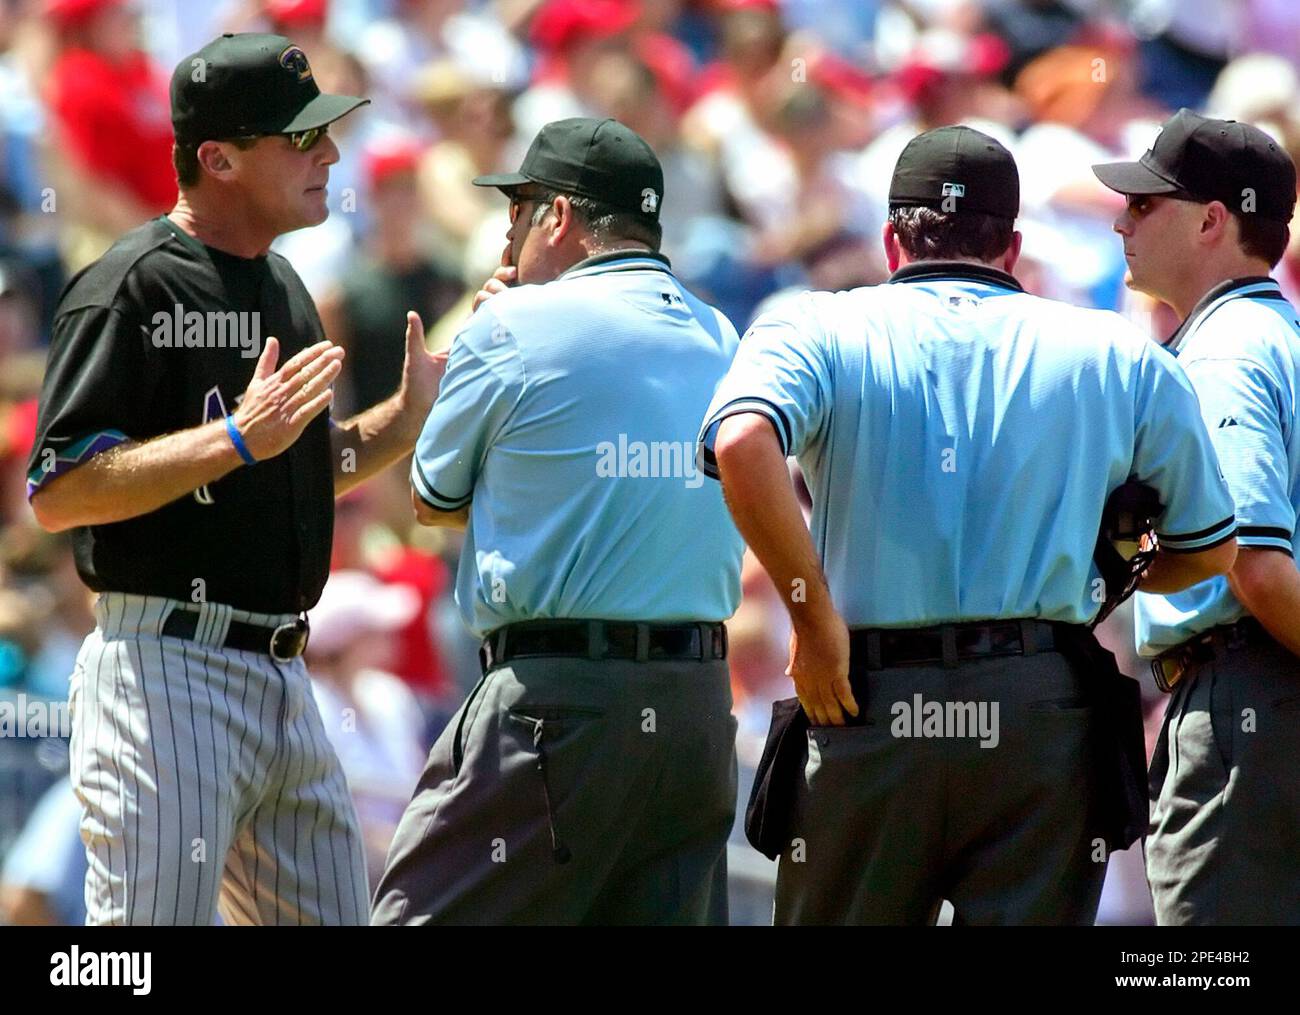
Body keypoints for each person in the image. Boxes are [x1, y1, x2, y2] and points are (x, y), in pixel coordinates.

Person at [699, 125, 1239, 926]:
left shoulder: (813, 326)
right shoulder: (1116, 351)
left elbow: (742, 439)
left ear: (891, 239)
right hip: (1040, 706)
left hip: (866, 697)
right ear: (1012, 245)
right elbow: (1211, 546)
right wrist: (1106, 574)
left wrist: (812, 617)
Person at [25, 32, 447, 926]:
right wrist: (229, 440)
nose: (329, 153)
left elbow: (295, 463)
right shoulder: (130, 284)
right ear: (216, 158)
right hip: (167, 667)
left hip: (286, 676)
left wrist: (399, 426)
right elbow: (60, 489)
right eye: (300, 138)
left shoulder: (282, 286)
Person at [371, 117, 745, 926]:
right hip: (694, 711)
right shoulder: (722, 333)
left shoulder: (510, 324)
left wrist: (478, 346)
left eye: (519, 210)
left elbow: (432, 499)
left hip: (560, 703)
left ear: (559, 218)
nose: (507, 235)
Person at [1094, 109, 1300, 925]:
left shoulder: (1224, 351)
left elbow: (1253, 561)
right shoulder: (1280, 334)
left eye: (1147, 204)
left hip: (1246, 703)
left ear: (1213, 220)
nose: (1122, 218)